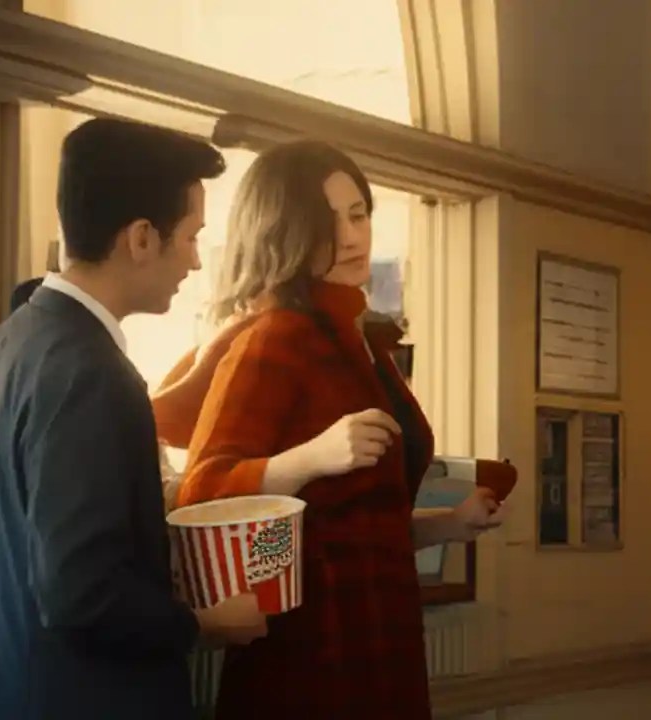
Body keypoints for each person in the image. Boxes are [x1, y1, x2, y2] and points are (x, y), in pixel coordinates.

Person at [0, 117, 268, 720]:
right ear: (142, 237)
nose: (195, 263)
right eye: (191, 237)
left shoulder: (7, 345)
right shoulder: (92, 373)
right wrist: (202, 624)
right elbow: (82, 595)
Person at [167, 140, 502, 718]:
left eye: (359, 214)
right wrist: (310, 458)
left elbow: (351, 522)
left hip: (383, 634)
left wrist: (449, 523)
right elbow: (202, 494)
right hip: (308, 652)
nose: (352, 236)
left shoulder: (359, 339)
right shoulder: (276, 335)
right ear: (284, 230)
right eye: (327, 221)